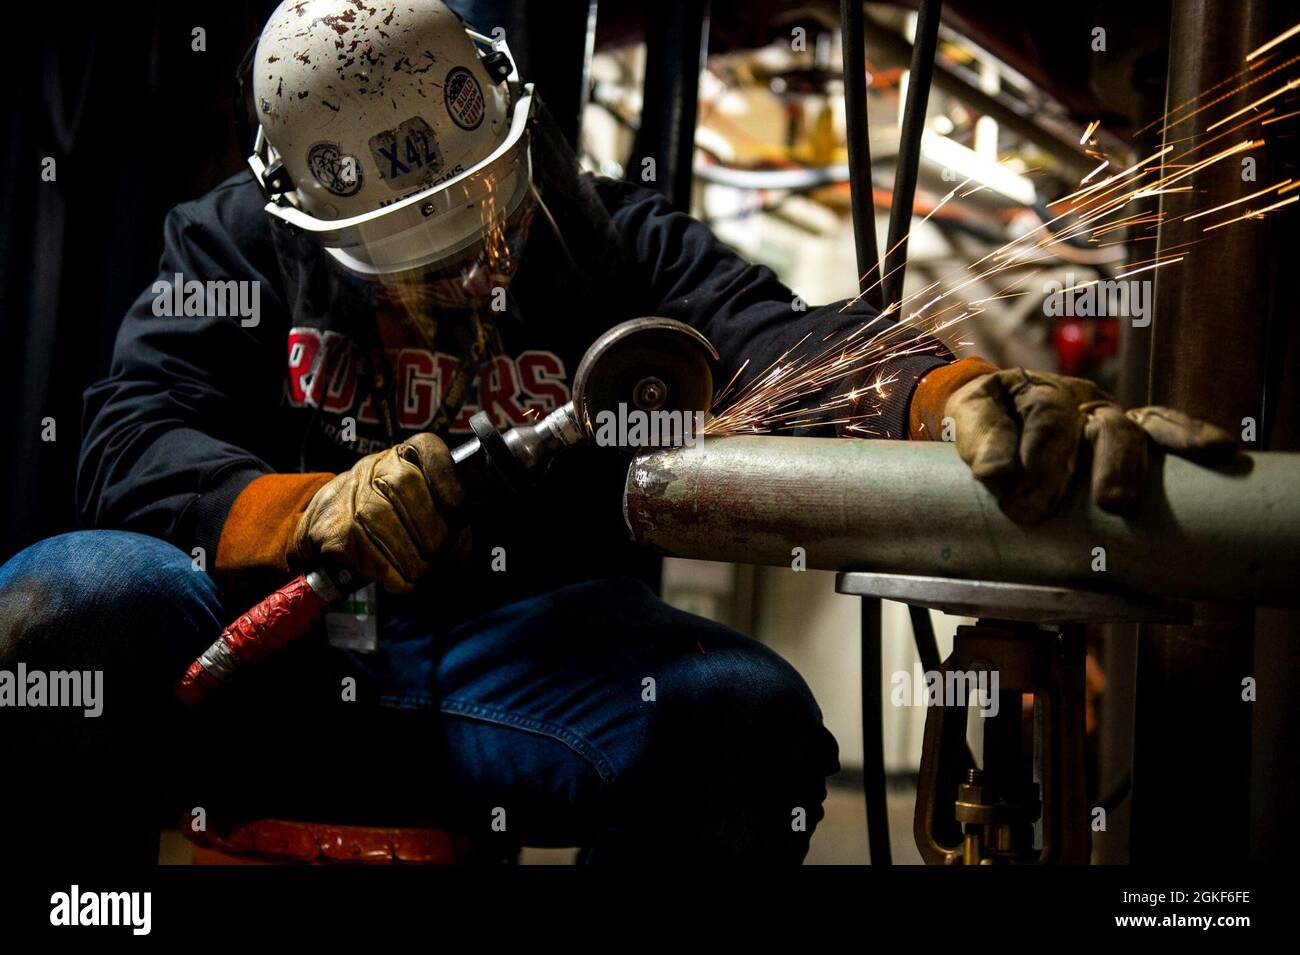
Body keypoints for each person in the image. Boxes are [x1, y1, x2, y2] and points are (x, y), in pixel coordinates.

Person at [0, 0, 1230, 863]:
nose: (455, 284)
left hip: (513, 664)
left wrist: (944, 393)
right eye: (404, 264)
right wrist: (301, 508)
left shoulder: (609, 242)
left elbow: (783, 341)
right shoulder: (233, 243)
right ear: (304, 206)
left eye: (475, 231)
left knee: (744, 720)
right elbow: (131, 438)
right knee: (64, 601)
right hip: (271, 657)